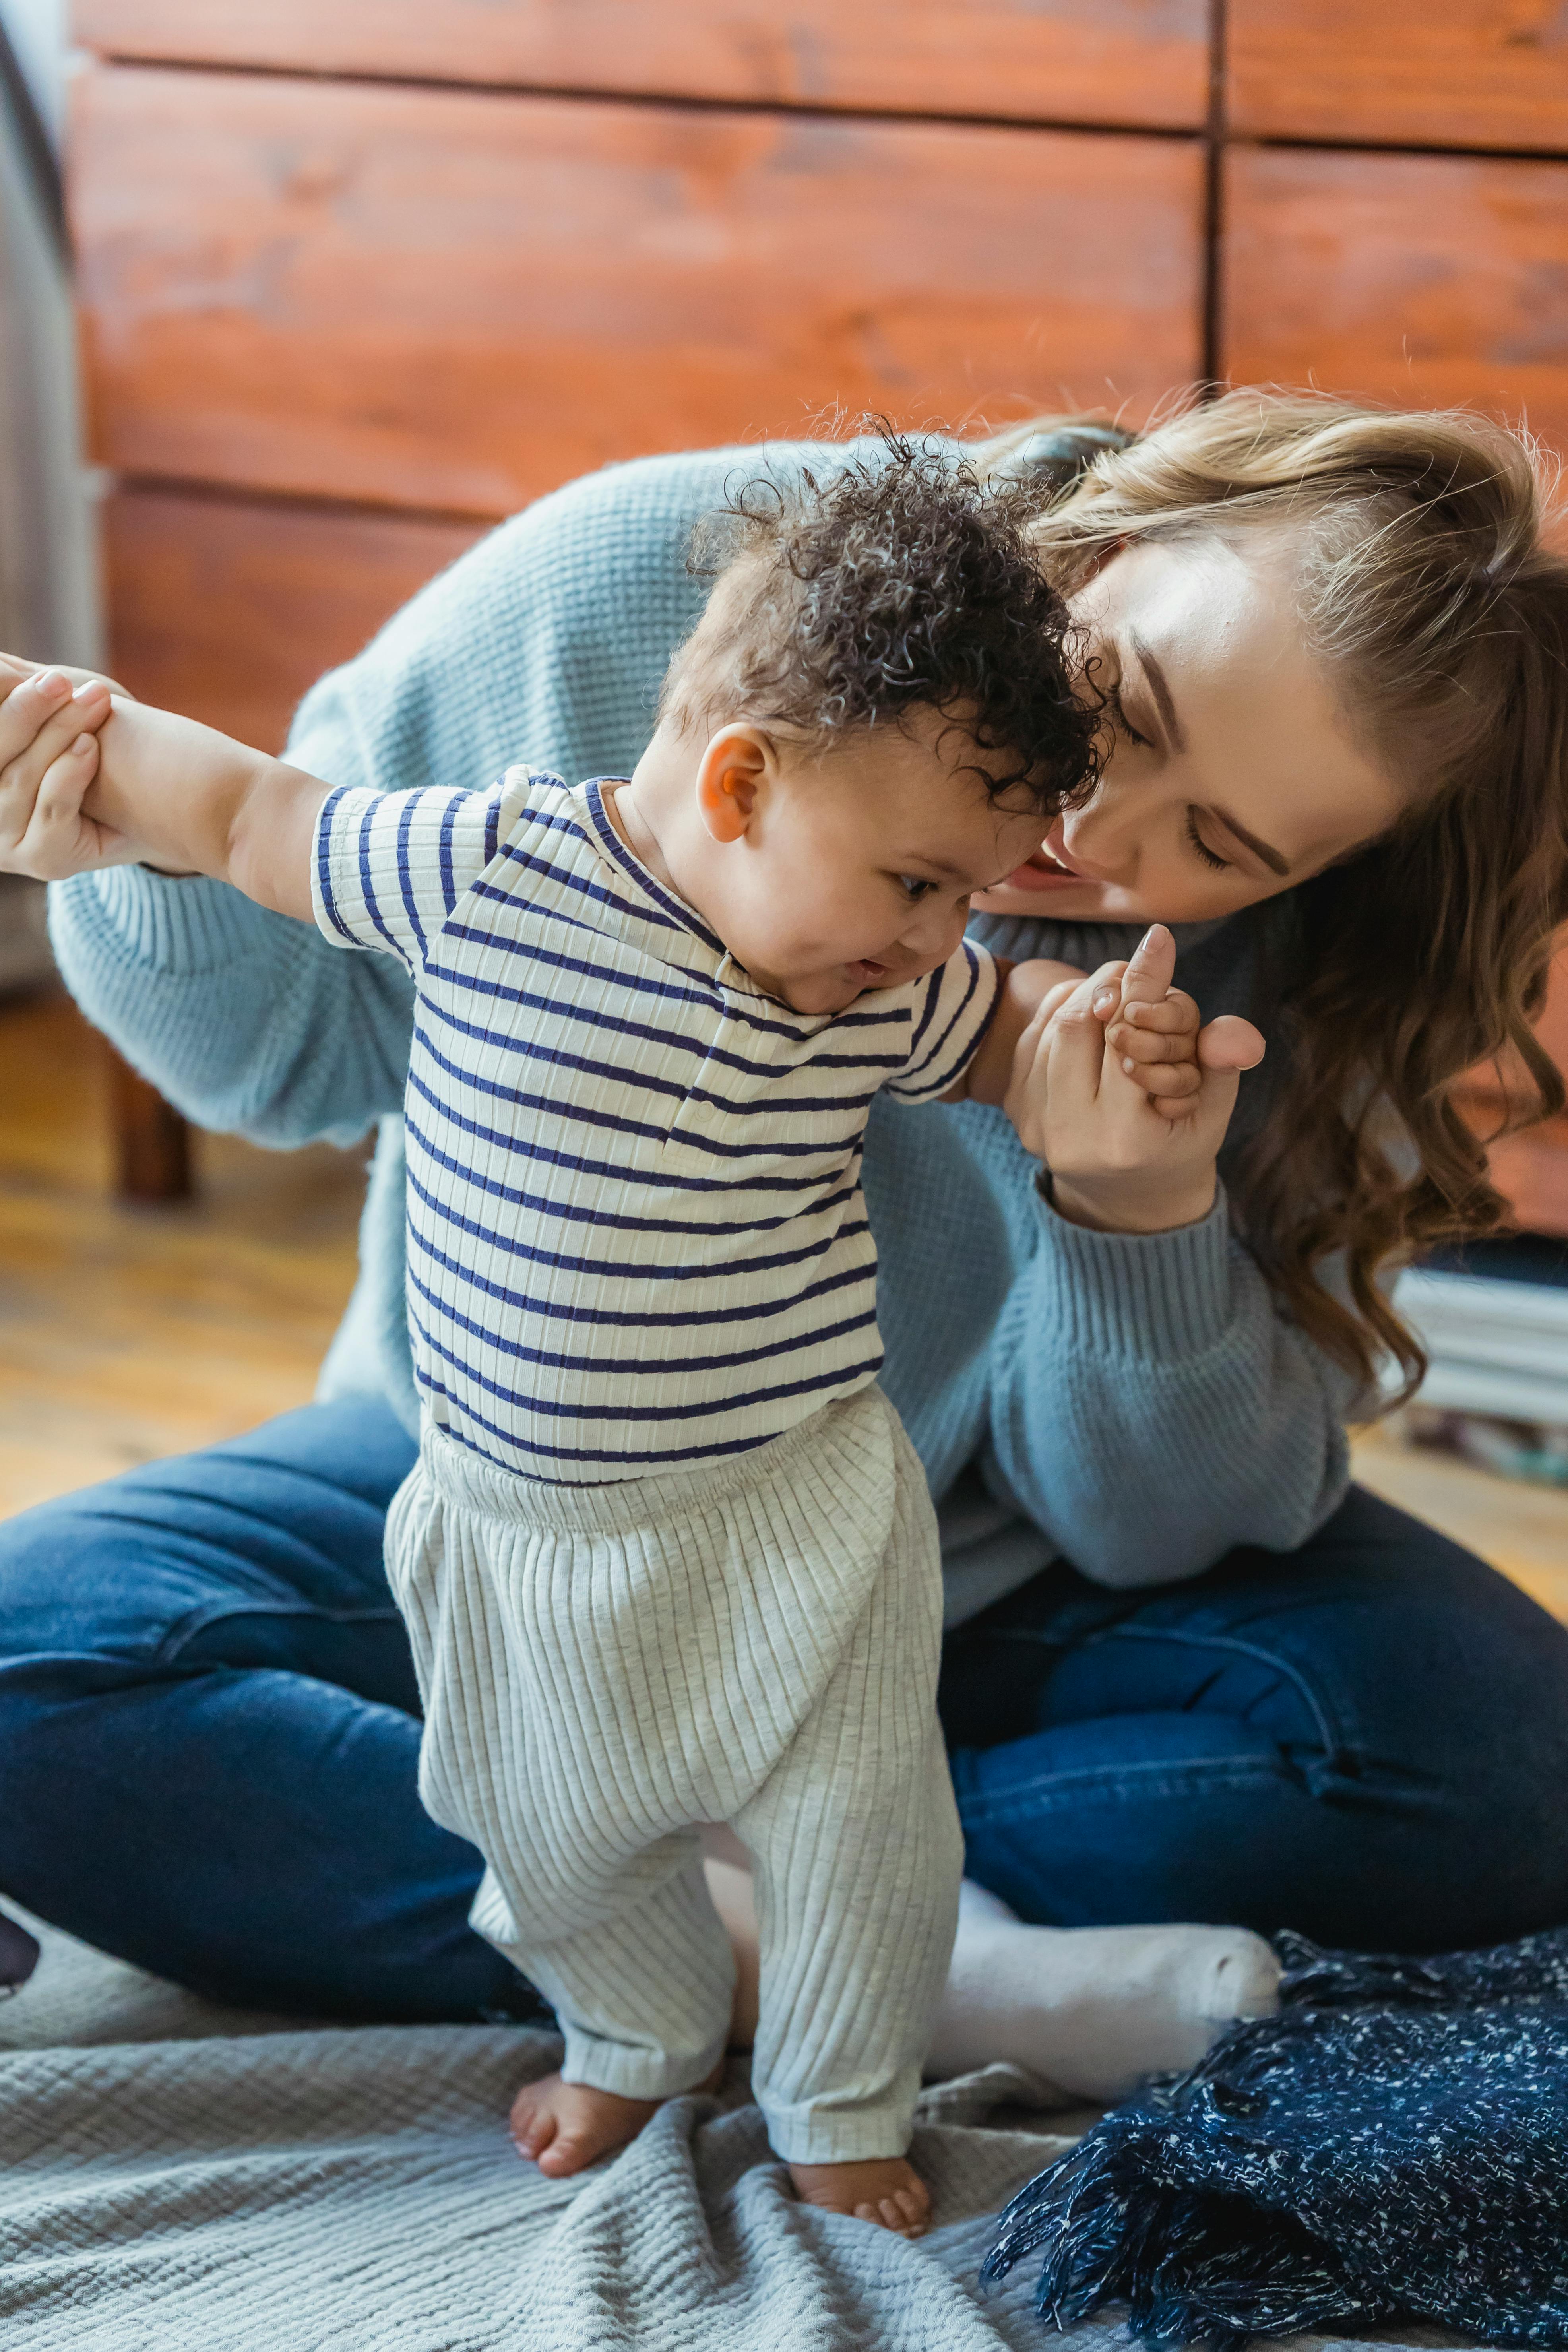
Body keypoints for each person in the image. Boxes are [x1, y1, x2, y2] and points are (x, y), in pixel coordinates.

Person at [3, 389, 1567, 2109]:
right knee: (29, 1654)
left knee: (1506, 1765)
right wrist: (126, 845)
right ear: (1114, 531)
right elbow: (281, 1056)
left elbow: (1152, 1534)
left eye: (1217, 846)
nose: (1094, 830)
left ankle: (767, 1848)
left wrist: (1136, 1219)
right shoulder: (635, 587)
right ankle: (852, 1961)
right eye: (1122, 705)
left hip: (956, 1572)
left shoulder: (1306, 985)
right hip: (535, 1497)